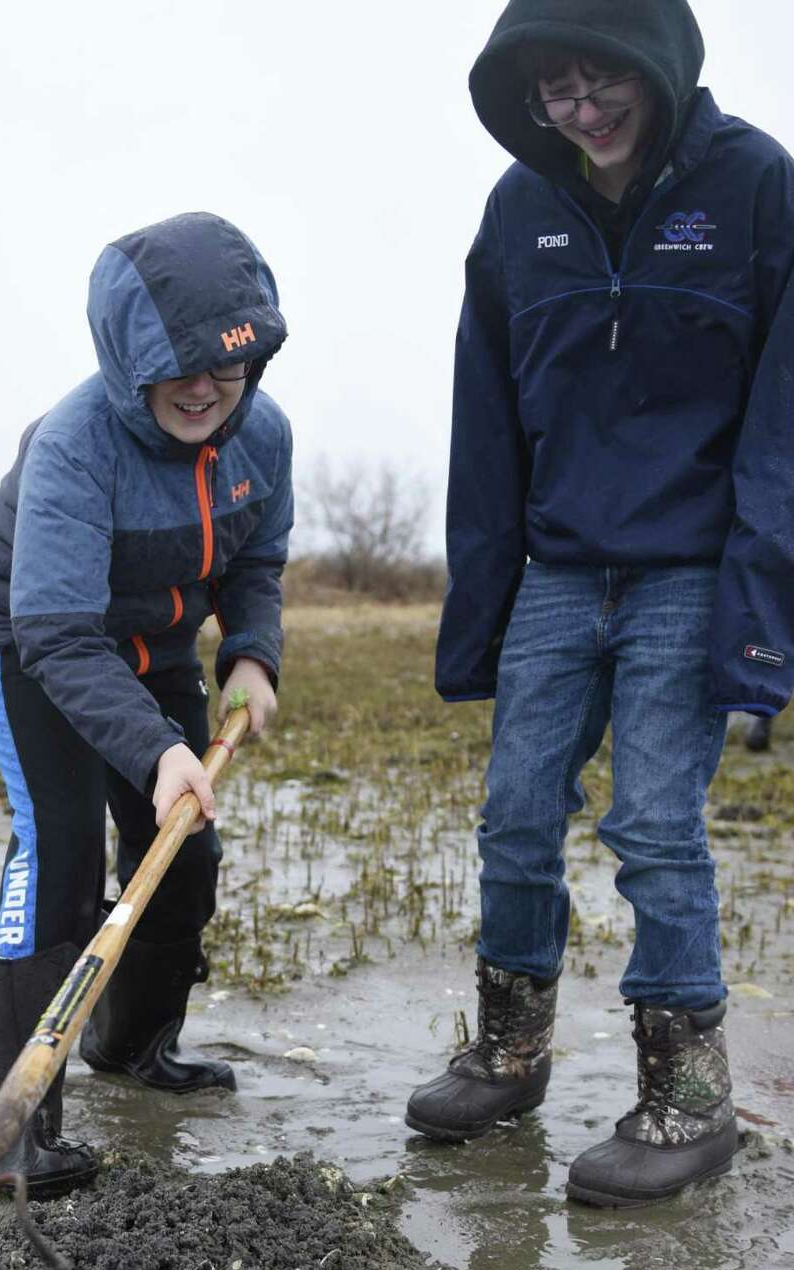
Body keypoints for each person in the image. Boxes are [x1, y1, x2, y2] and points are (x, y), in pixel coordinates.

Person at [406, 0, 794, 1207]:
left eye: (599, 84)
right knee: (515, 810)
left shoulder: (756, 188)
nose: (581, 113)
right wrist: (483, 601)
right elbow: (486, 417)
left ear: (654, 64)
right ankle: (511, 1049)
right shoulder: (519, 213)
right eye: (553, 95)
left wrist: (763, 600)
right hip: (561, 571)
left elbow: (785, 421)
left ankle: (685, 1097)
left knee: (654, 827)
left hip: (690, 566)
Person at [0, 212, 292, 1193]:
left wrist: (253, 655)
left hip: (158, 641)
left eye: (222, 368)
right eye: (174, 368)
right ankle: (10, 1125)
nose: (201, 390)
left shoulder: (261, 434)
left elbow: (256, 561)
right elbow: (61, 636)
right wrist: (154, 753)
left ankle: (134, 1043)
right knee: (60, 850)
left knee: (183, 850)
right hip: (34, 635)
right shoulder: (75, 445)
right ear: (125, 357)